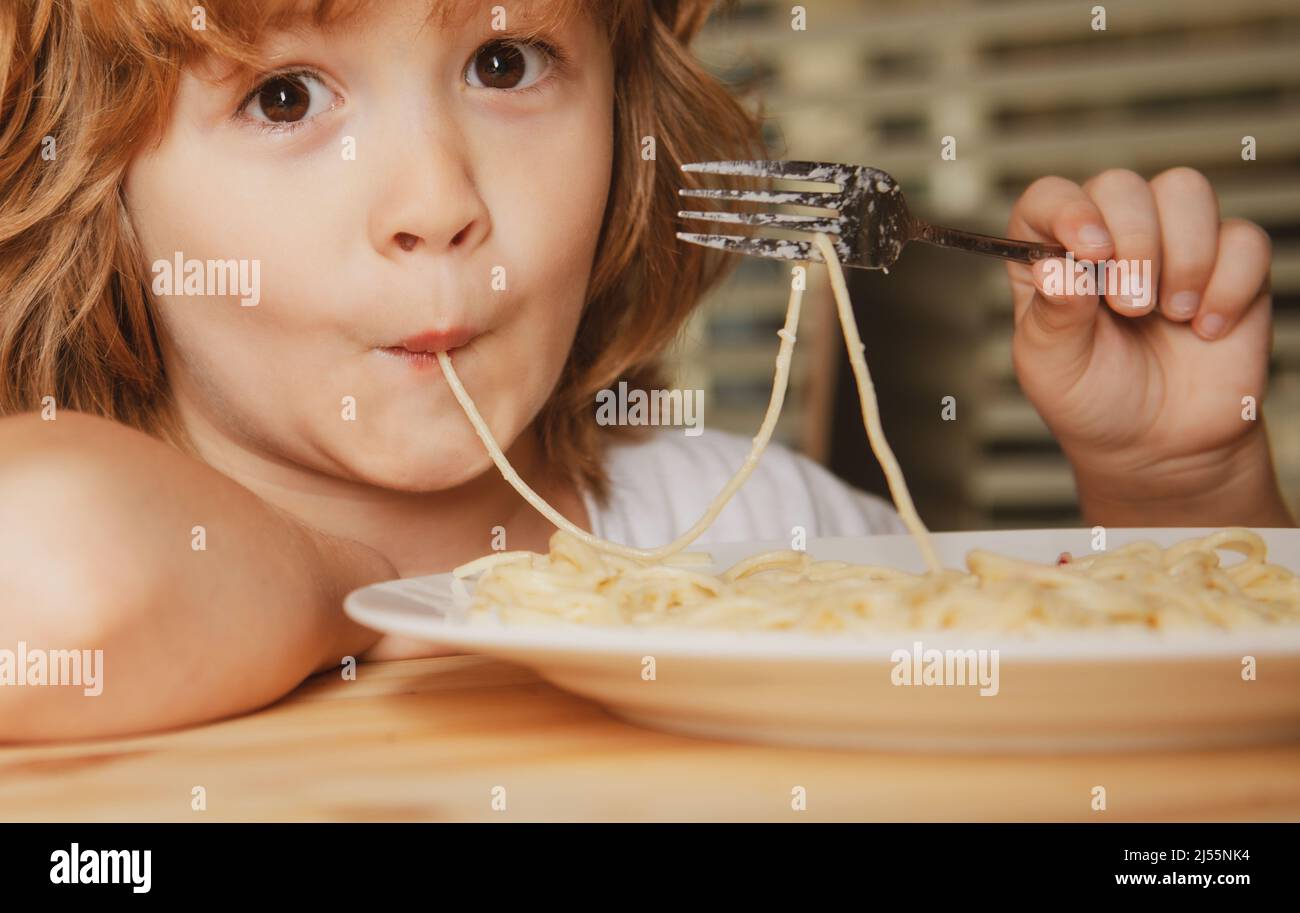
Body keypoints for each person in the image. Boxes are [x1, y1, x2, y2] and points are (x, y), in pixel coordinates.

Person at [0, 0, 1291, 741]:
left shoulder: (760, 534)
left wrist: (1175, 490)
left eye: (506, 64)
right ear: (95, 189)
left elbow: (1146, 768)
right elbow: (54, 572)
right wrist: (389, 586)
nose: (438, 202)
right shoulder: (71, 515)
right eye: (285, 97)